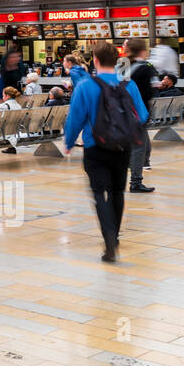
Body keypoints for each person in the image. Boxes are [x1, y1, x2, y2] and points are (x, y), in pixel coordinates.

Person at [63, 41, 148, 262]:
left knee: (99, 192)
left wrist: (69, 143)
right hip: (122, 147)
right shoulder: (128, 85)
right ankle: (115, 236)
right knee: (118, 191)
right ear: (117, 60)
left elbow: (75, 119)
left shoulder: (85, 85)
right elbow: (142, 115)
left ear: (95, 60)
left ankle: (108, 237)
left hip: (95, 147)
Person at [125, 38, 157, 193]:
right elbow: (155, 86)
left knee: (138, 143)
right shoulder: (147, 67)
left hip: (122, 112)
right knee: (139, 147)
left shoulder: (122, 66)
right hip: (139, 112)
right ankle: (136, 182)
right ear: (143, 51)